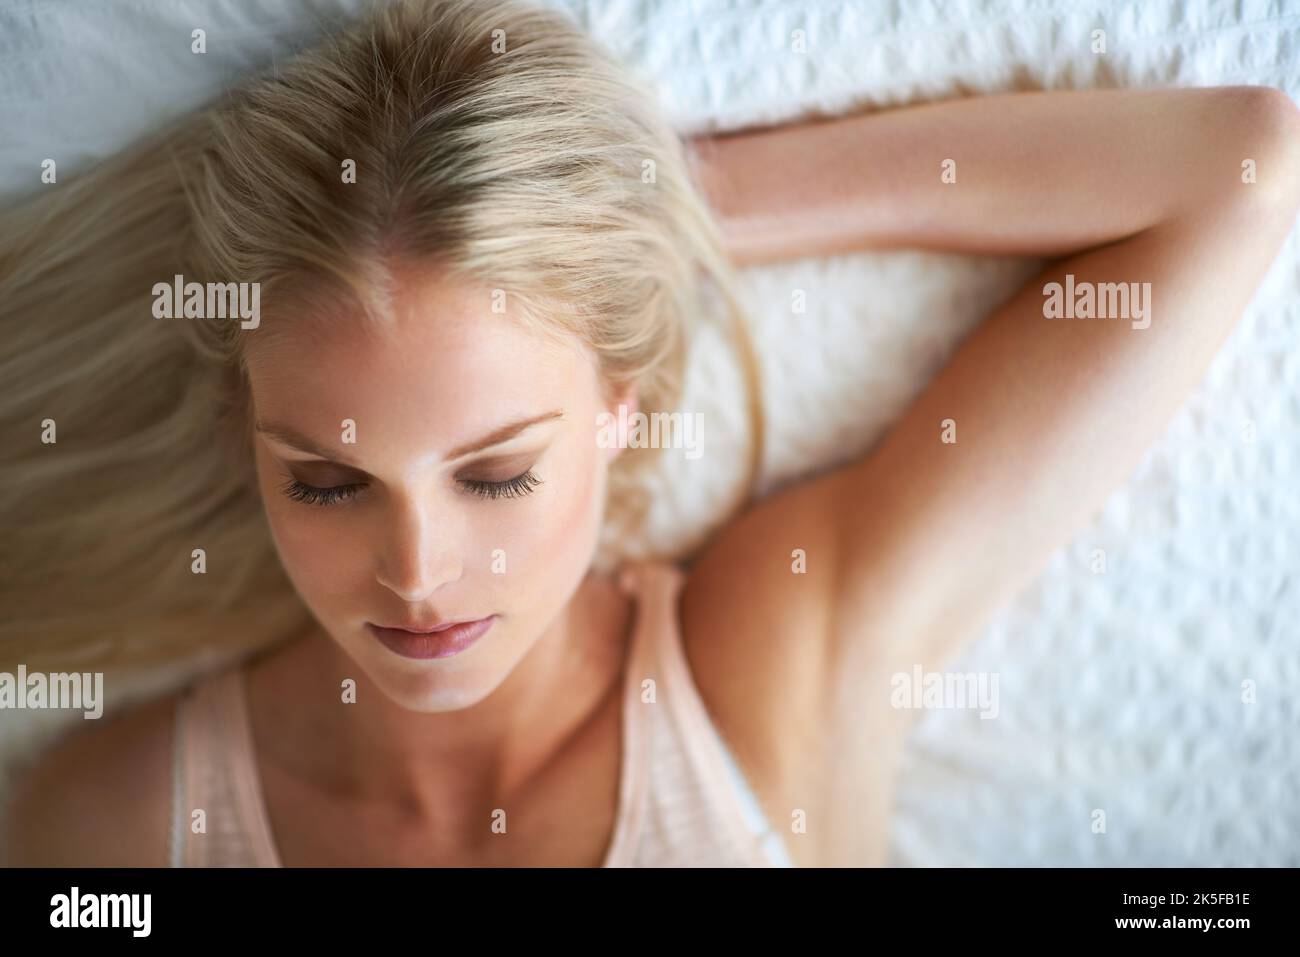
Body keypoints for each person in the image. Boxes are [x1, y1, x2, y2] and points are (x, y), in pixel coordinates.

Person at [3, 0, 1298, 867]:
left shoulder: (771, 672)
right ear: (250, 439)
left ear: (619, 406)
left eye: (500, 472)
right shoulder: (118, 824)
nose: (416, 569)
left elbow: (1240, 166)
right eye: (330, 482)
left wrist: (683, 210)